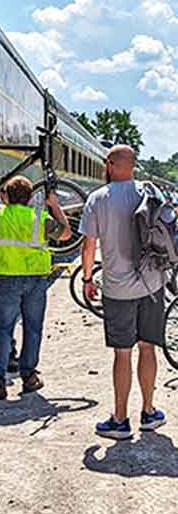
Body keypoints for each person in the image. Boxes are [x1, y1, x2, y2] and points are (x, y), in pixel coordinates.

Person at [81, 145, 166, 439]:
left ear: (110, 165)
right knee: (147, 347)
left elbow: (89, 245)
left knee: (122, 353)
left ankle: (119, 420)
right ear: (133, 165)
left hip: (117, 289)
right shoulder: (149, 191)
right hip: (152, 284)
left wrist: (88, 278)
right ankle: (149, 411)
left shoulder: (97, 199)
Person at [0, 172, 71, 400]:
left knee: (3, 329)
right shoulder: (39, 218)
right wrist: (55, 206)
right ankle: (29, 376)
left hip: (7, 280)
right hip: (36, 281)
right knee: (33, 328)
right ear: (30, 198)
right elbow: (66, 234)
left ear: (6, 197)